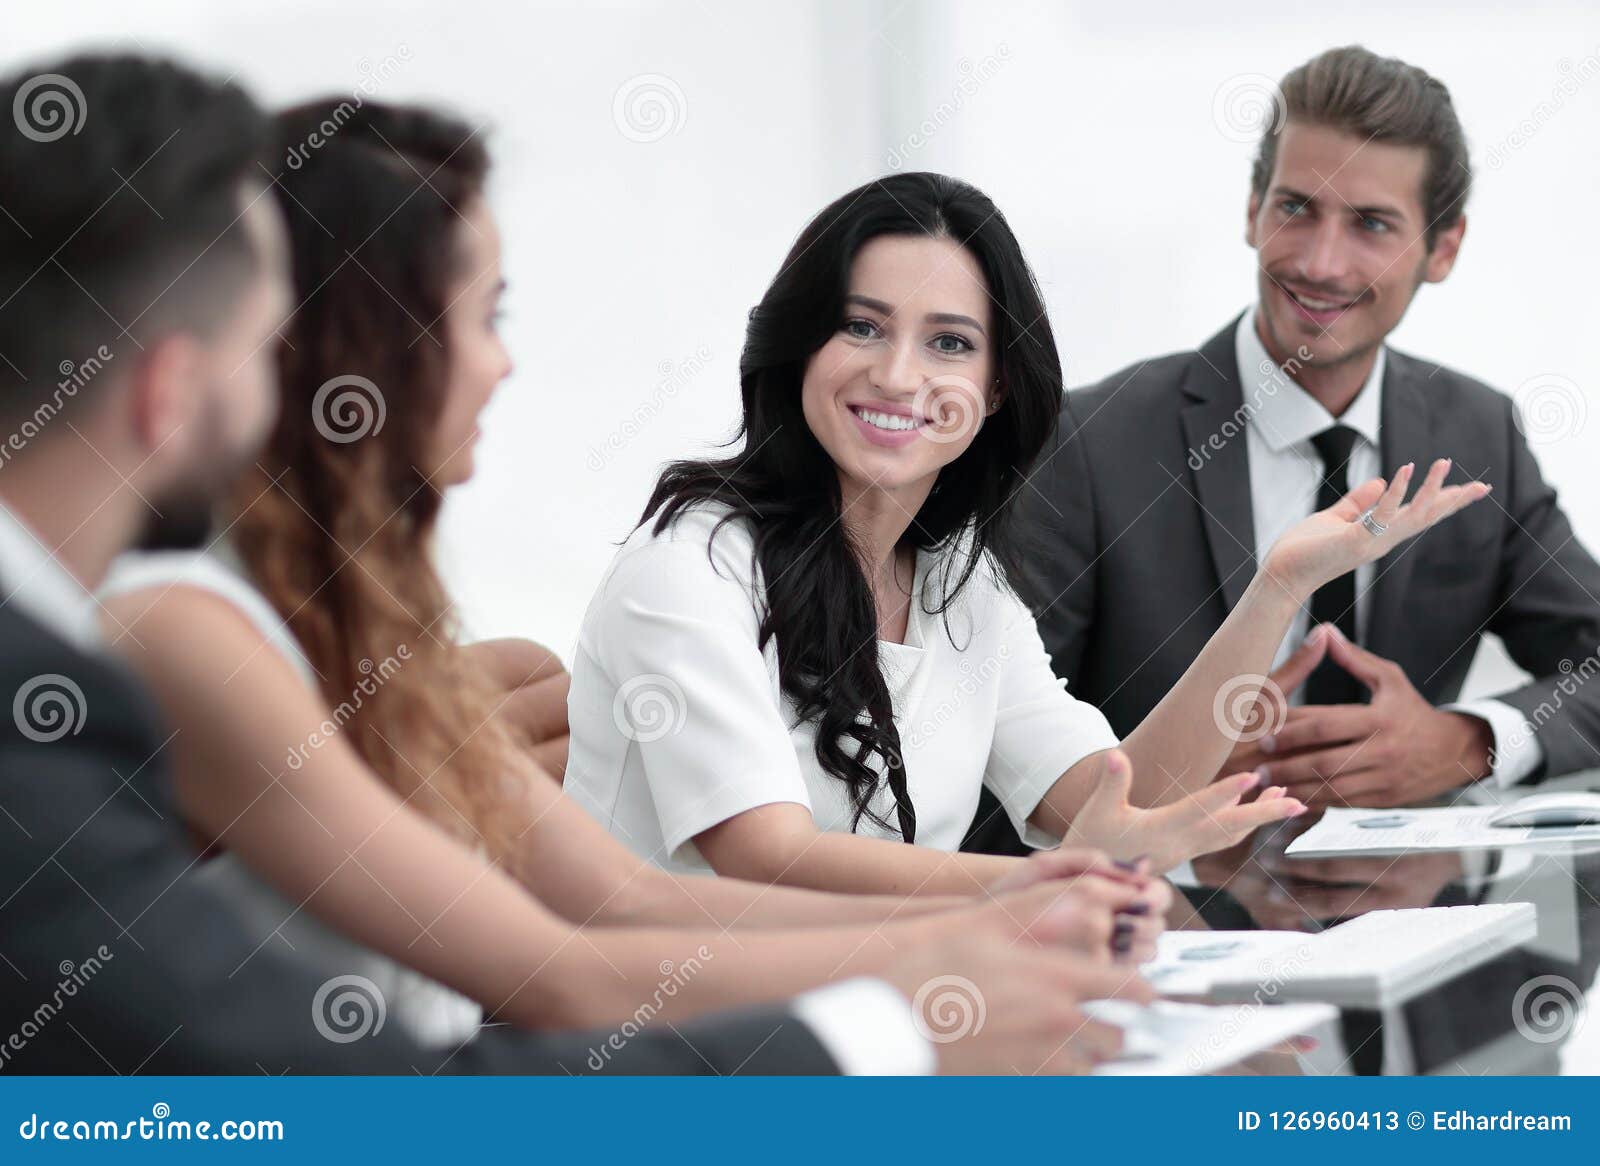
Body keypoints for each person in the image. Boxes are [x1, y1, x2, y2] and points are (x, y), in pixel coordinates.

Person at [0, 54, 1147, 1077]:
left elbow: (619, 899)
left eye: (951, 341)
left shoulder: (361, 627)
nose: (505, 364)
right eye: (485, 315)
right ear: (371, 349)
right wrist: (939, 971)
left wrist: (1005, 914)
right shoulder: (186, 625)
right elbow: (561, 973)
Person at [563, 170, 1487, 896]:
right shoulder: (688, 567)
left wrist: (1276, 587)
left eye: (950, 343)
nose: (897, 374)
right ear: (799, 348)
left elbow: (1121, 801)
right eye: (860, 327)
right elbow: (767, 857)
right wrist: (1046, 887)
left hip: (867, 1027)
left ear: (999, 387)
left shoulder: (957, 578)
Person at [969, 44, 1600, 861]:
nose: (1319, 261)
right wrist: (1156, 769)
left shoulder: (1476, 435)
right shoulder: (1092, 441)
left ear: (1444, 250)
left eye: (1372, 224)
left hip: (1413, 922)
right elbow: (978, 732)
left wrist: (1464, 742)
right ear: (1252, 210)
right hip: (1152, 931)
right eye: (1296, 207)